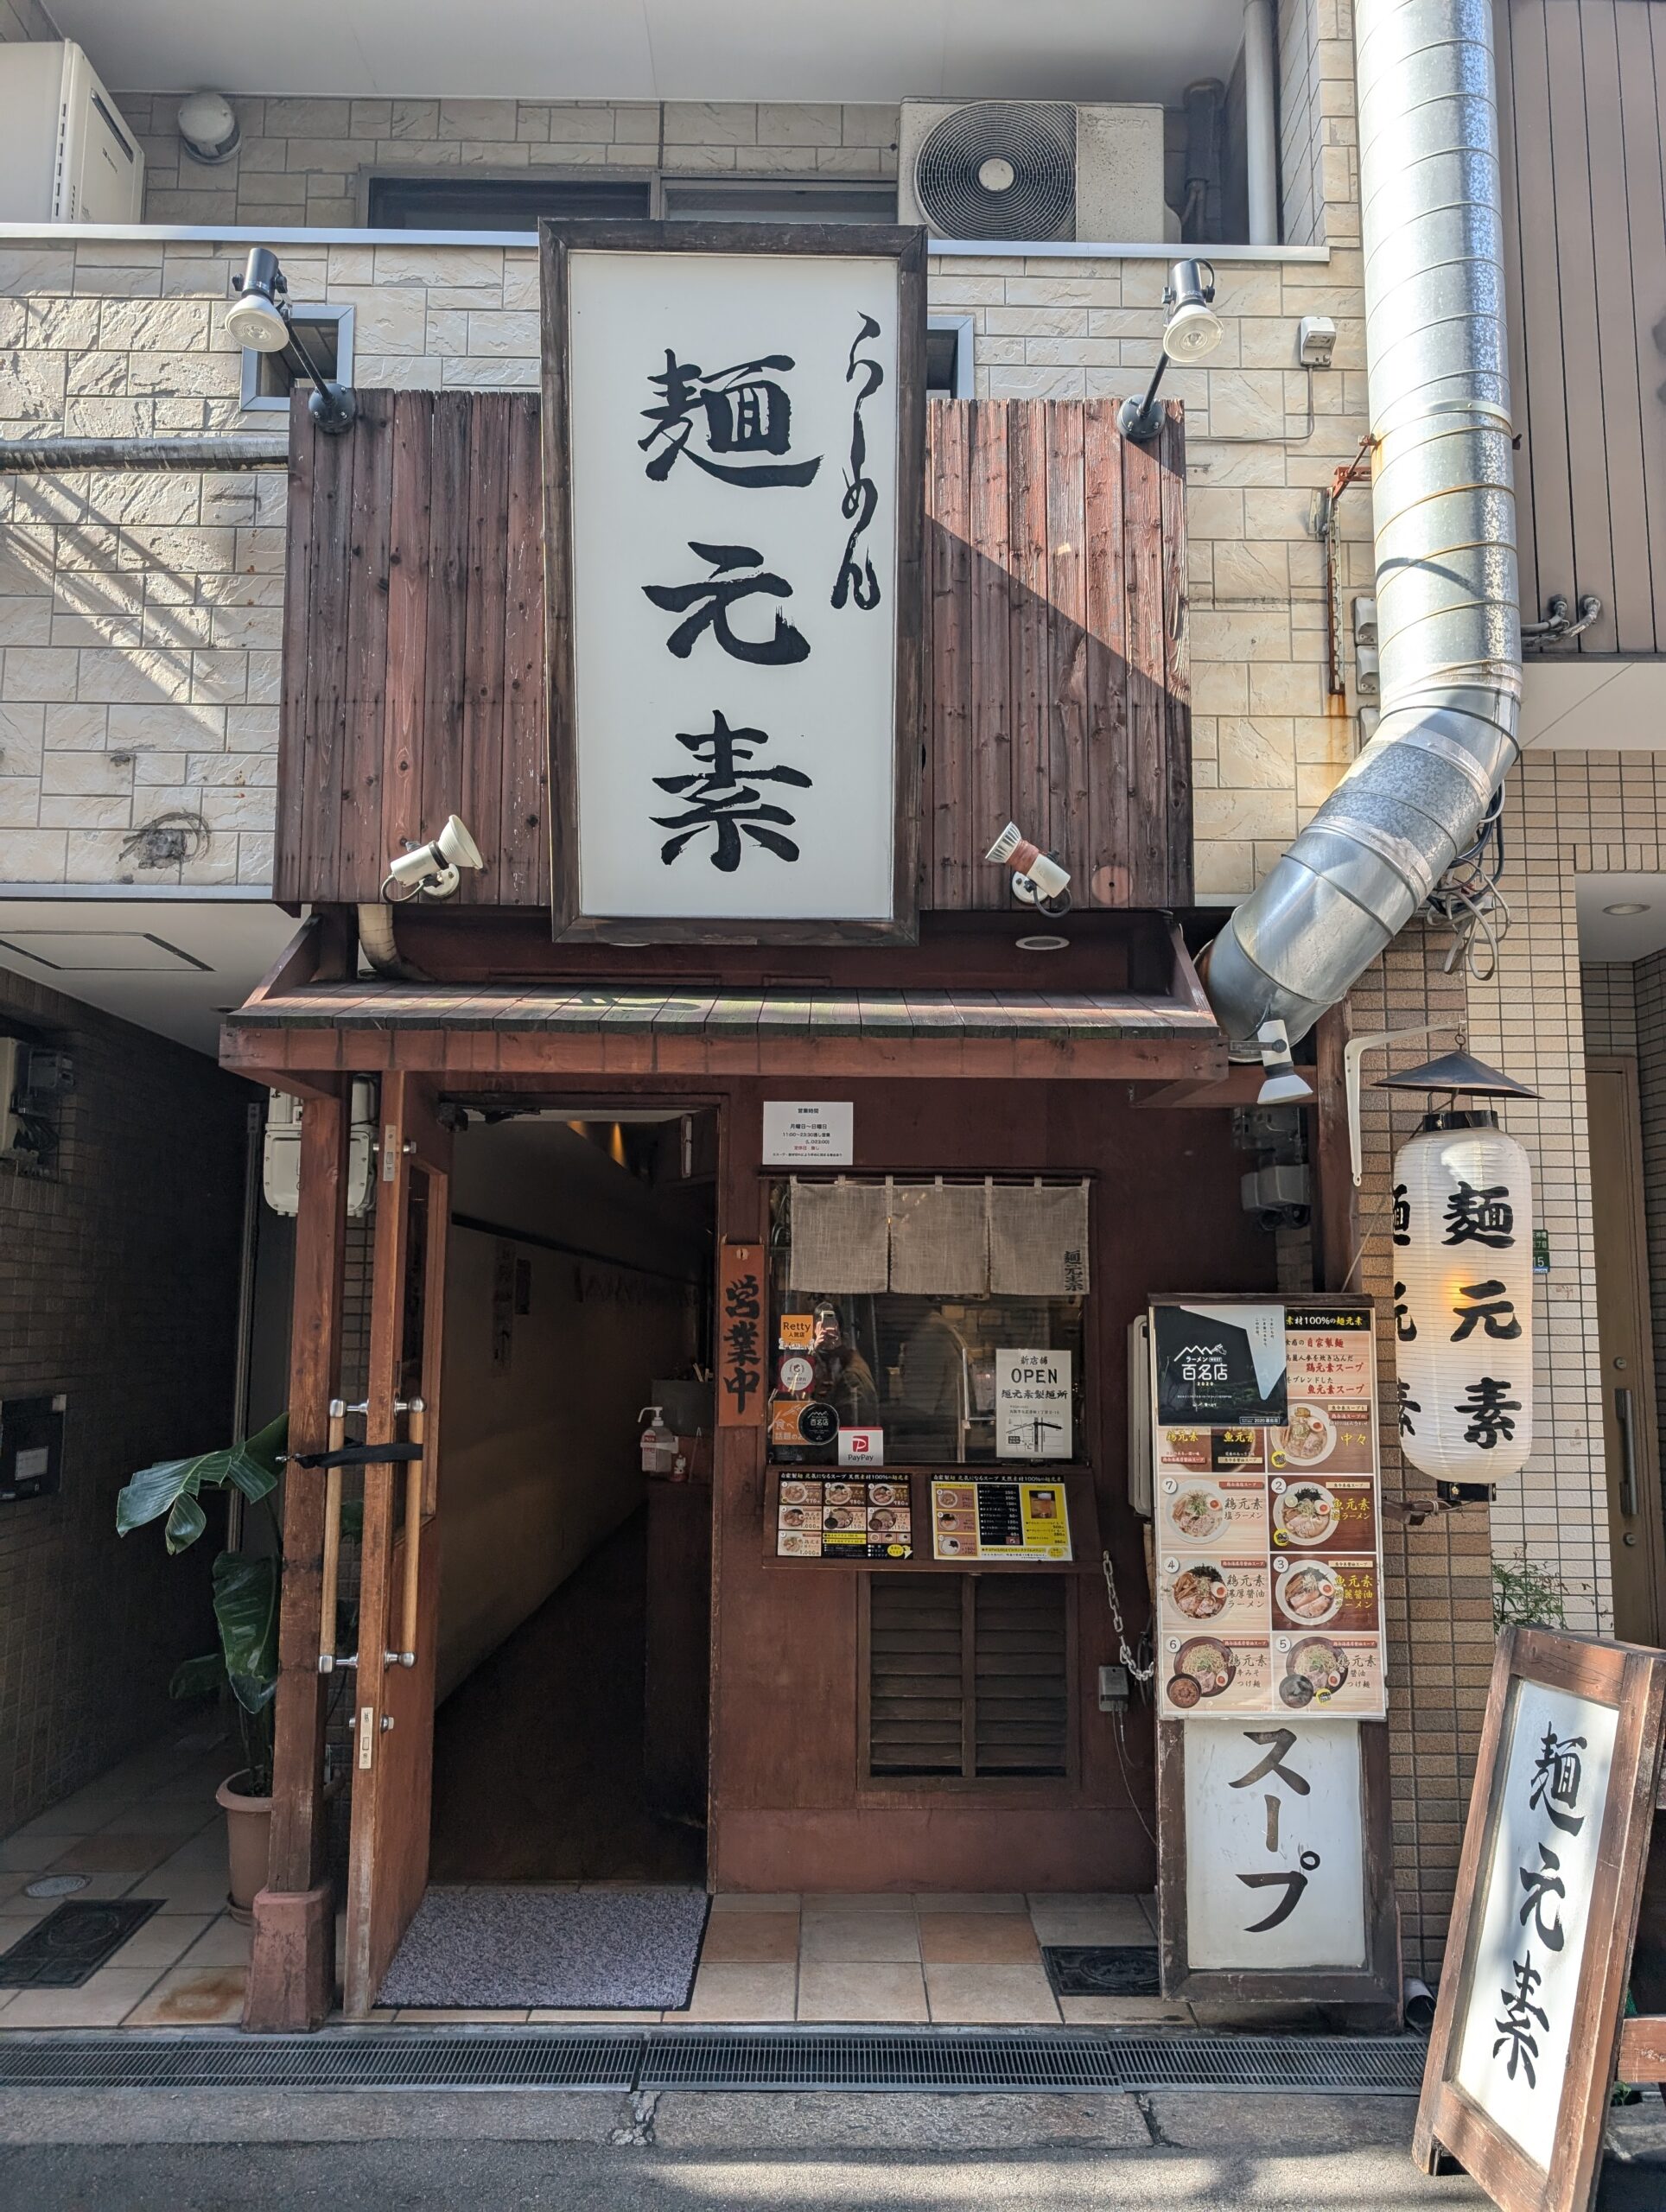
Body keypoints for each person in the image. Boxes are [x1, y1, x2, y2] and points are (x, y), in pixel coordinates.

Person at [811, 1302, 880, 1429]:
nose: (826, 1331)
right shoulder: (826, 1362)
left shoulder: (851, 1371)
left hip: (844, 1440)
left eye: (830, 1325)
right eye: (821, 1326)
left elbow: (851, 1417)